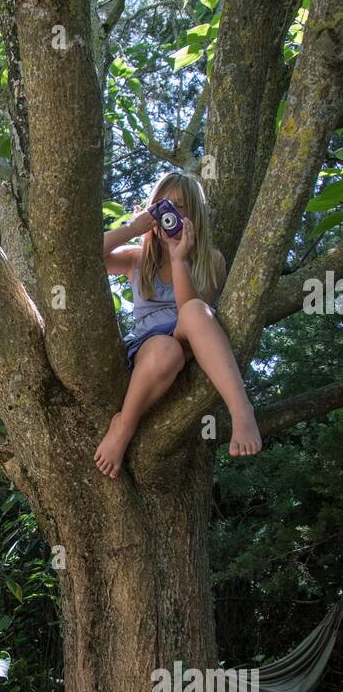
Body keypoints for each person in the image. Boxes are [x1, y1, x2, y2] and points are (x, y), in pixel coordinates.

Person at [94, 170, 262, 478]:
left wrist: (179, 259)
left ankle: (241, 409)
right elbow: (83, 257)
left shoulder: (211, 261)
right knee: (165, 351)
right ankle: (124, 425)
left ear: (194, 215)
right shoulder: (138, 258)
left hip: (191, 335)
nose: (168, 212)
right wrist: (132, 229)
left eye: (179, 206)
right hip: (151, 348)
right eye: (161, 205)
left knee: (197, 310)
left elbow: (188, 310)